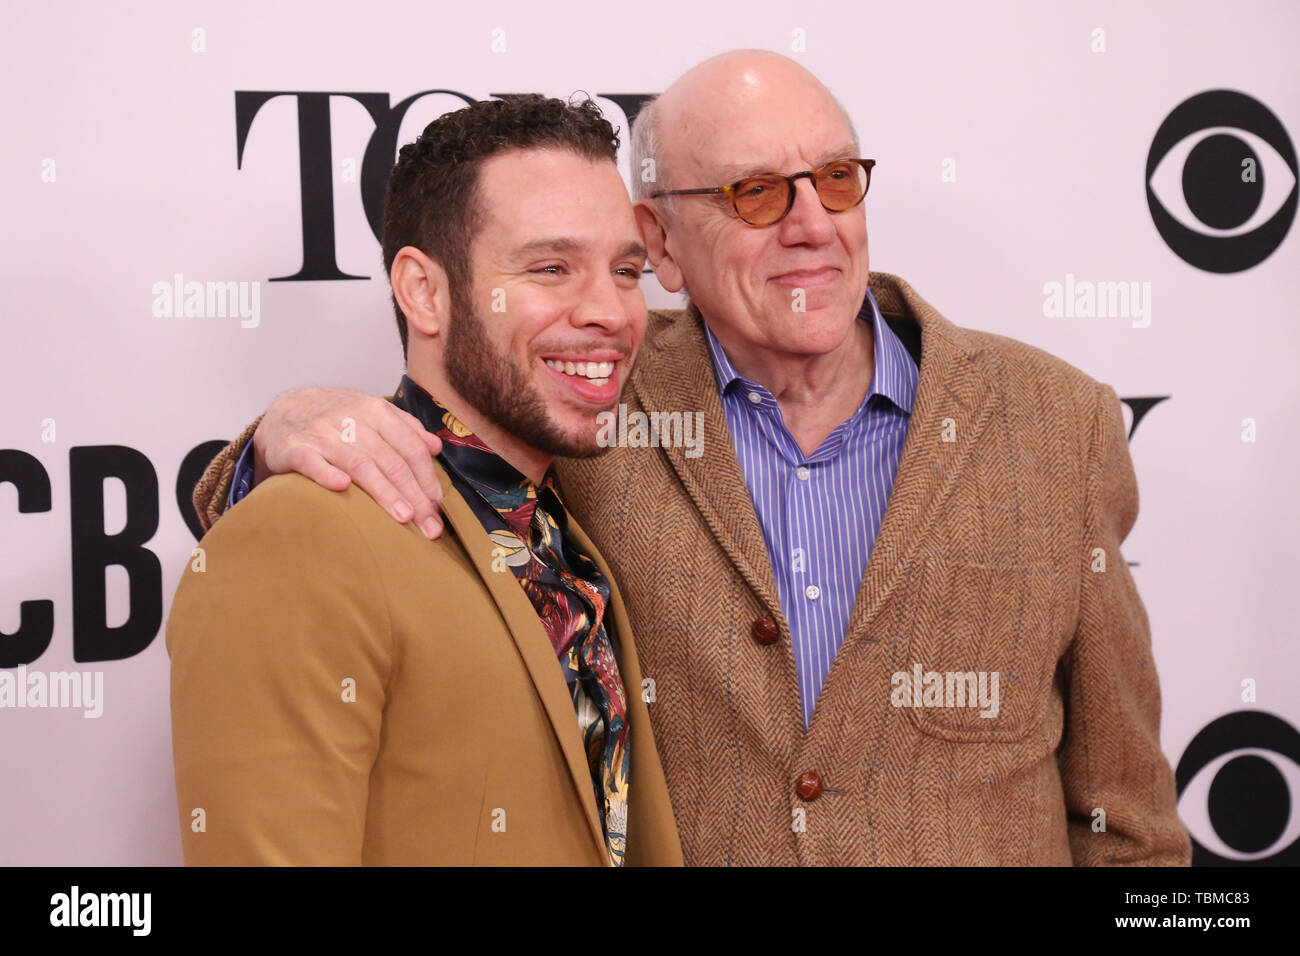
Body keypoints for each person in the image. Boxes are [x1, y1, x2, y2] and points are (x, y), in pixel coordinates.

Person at [193, 51, 1191, 865]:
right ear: (661, 242)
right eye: (754, 193)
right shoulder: (596, 396)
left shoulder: (1055, 423)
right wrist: (280, 431)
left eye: (836, 179)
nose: (811, 223)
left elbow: (1129, 825)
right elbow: (410, 485)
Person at [166, 94, 683, 866]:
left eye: (626, 271)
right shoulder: (303, 538)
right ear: (423, 291)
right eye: (550, 268)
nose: (610, 311)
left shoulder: (555, 525)